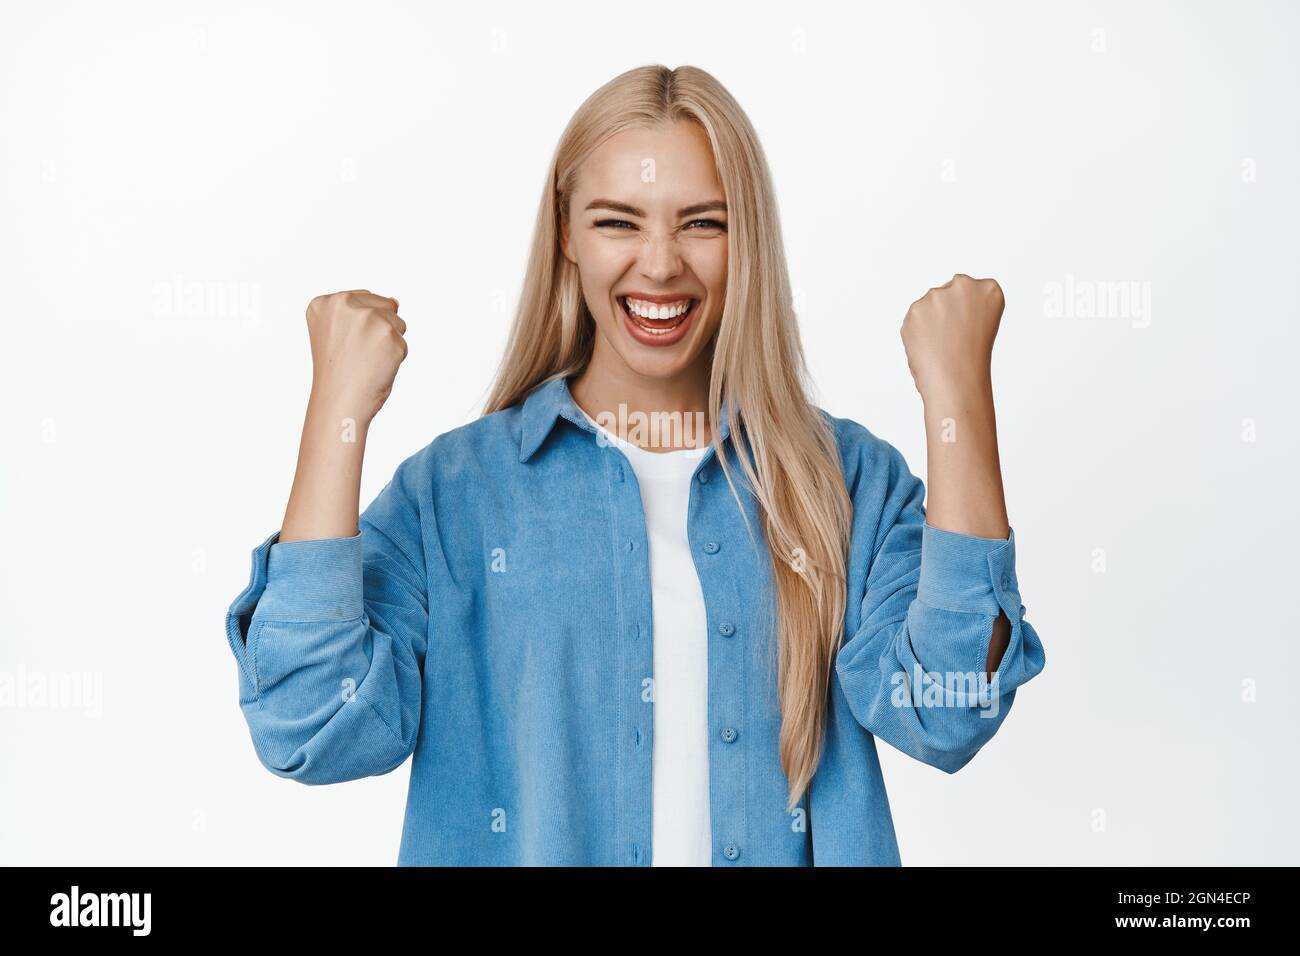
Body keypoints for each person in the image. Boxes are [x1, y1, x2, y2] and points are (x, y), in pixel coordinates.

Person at [223, 63, 1046, 866]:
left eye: (703, 222)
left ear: (747, 238)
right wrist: (336, 416)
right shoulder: (455, 496)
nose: (659, 264)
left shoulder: (847, 481)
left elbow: (949, 706)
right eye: (619, 221)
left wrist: (958, 399)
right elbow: (307, 725)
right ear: (567, 235)